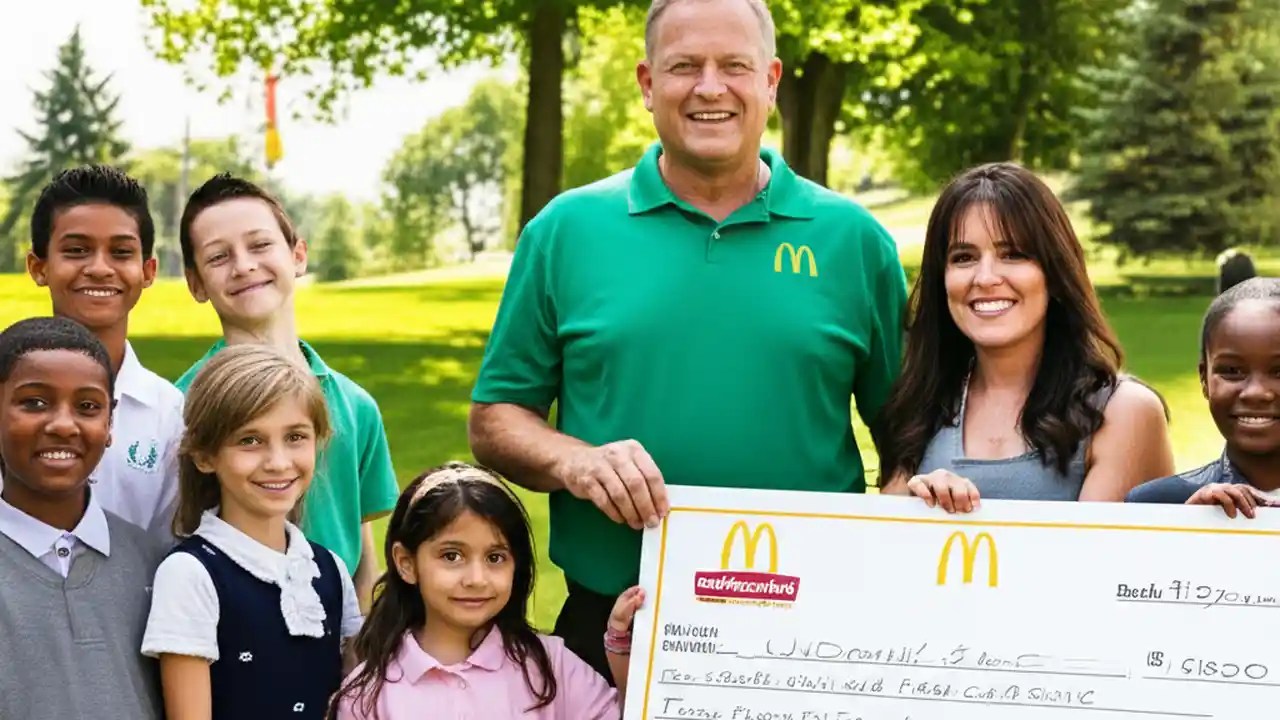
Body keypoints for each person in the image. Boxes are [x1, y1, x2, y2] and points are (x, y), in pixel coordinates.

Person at [467, 0, 908, 681]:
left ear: (770, 82)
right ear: (648, 84)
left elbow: (910, 429)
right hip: (615, 621)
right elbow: (496, 419)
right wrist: (575, 461)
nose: (709, 87)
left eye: (734, 66)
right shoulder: (565, 230)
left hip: (812, 626)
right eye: (683, 67)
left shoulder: (855, 241)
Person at [877, 163, 1175, 511]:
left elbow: (1091, 547)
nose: (985, 278)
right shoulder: (915, 409)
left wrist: (958, 520)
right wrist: (918, 506)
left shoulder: (1124, 412)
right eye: (964, 257)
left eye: (1013, 254)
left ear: (1055, 272)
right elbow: (885, 540)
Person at [173, 173, 399, 608]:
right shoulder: (179, 407)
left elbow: (360, 545)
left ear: (298, 255)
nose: (244, 265)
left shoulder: (356, 407)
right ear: (196, 283)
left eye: (260, 245)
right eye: (219, 256)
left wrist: (361, 639)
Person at [141, 344, 363, 719]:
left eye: (295, 437)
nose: (278, 462)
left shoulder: (329, 570)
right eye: (250, 440)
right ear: (205, 457)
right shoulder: (190, 574)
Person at [328, 462, 637, 719]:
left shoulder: (552, 666)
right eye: (452, 556)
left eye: (495, 558)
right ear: (406, 563)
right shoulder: (367, 697)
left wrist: (620, 651)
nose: (476, 579)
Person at [0, 317, 164, 720]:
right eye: (34, 402)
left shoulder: (158, 566)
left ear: (110, 423)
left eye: (88, 406)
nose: (63, 425)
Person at [17, 165, 185, 543]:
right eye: (76, 251)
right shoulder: (5, 391)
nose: (99, 268)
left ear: (148, 271)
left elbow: (171, 544)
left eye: (121, 252)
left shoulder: (169, 414)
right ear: (39, 267)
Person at [1128, 278, 1280, 517]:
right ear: (1204, 379)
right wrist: (1189, 526)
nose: (1256, 393)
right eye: (1232, 371)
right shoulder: (1158, 504)